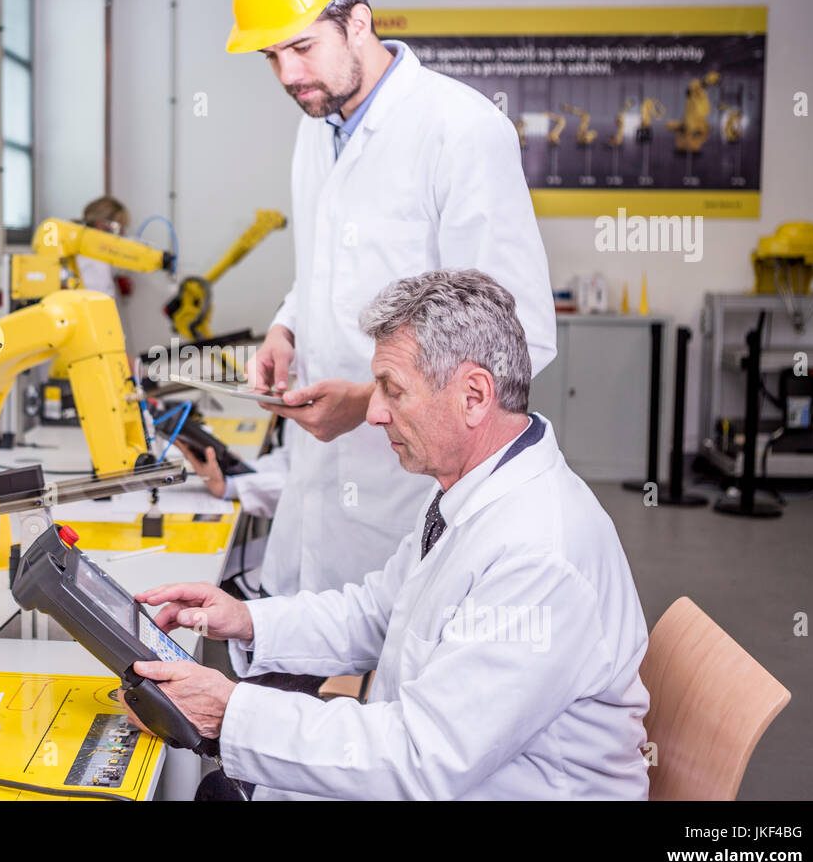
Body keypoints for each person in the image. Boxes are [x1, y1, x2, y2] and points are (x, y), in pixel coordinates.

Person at [125, 270, 650, 800]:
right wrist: (246, 620)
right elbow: (379, 611)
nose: (373, 413)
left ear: (473, 396)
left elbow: (427, 755)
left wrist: (229, 713)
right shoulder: (467, 487)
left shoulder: (540, 555)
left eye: (392, 390)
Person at [227, 0, 557, 598]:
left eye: (301, 47)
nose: (288, 76)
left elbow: (518, 337)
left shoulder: (459, 130)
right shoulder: (316, 128)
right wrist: (286, 329)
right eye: (271, 56)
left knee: (393, 679)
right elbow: (325, 268)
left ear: (357, 21)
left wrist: (369, 402)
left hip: (408, 495)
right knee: (310, 659)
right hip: (318, 490)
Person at [74, 196, 130, 300]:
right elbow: (102, 295)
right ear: (101, 225)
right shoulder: (92, 257)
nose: (121, 235)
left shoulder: (83, 246)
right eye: (120, 229)